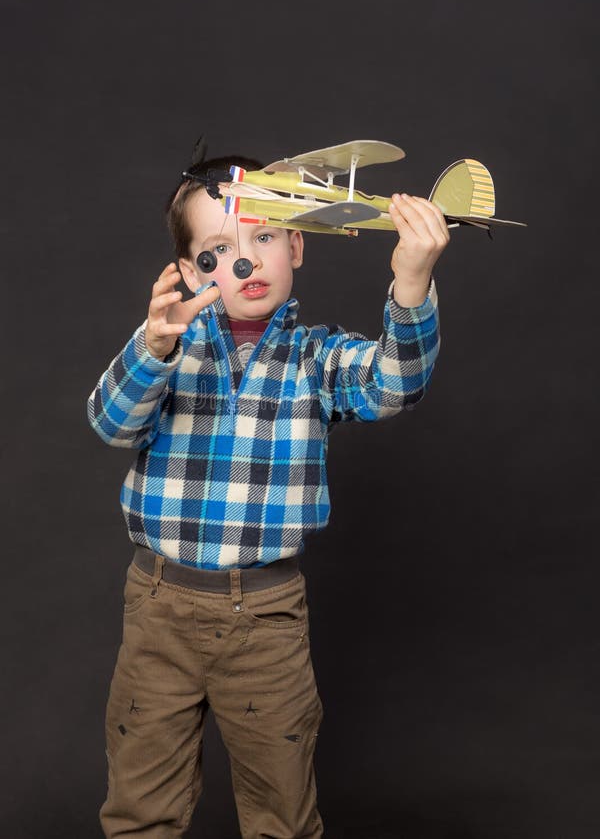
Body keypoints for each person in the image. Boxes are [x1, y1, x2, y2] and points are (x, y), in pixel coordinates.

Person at [87, 148, 449, 838]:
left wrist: (412, 283)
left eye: (264, 236)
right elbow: (109, 422)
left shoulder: (318, 358)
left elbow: (395, 384)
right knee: (141, 805)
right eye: (220, 248)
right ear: (192, 271)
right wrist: (153, 346)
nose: (246, 260)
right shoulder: (168, 348)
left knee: (281, 812)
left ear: (297, 245)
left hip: (265, 619)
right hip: (159, 609)